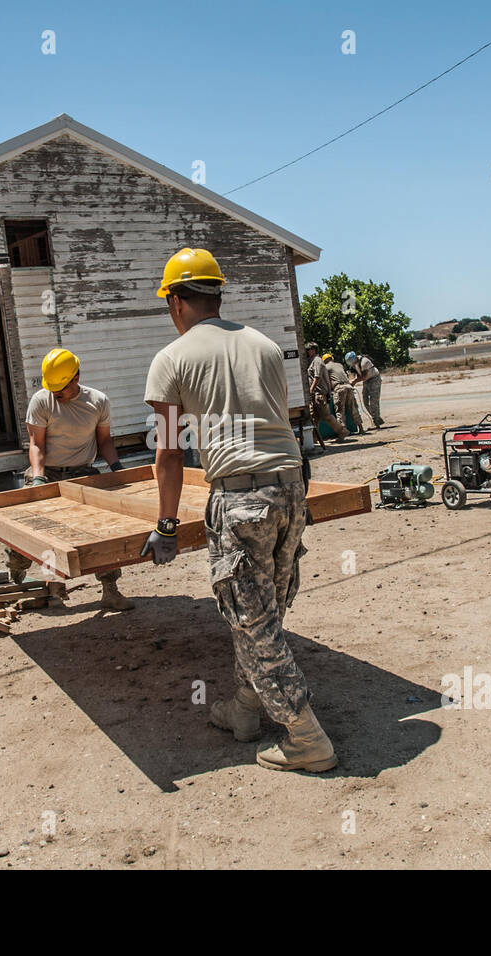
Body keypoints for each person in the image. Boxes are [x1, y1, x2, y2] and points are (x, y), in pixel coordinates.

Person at [141, 247, 337, 773]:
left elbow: (167, 450)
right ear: (217, 294)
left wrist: (164, 525)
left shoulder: (173, 358)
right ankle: (246, 708)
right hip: (292, 489)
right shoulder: (266, 346)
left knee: (256, 621)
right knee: (258, 610)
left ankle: (306, 736)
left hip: (240, 498)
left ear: (177, 301)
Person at [9, 347, 134, 611]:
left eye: (61, 390)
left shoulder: (98, 402)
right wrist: (39, 479)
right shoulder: (41, 401)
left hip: (82, 472)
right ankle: (21, 575)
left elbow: (104, 441)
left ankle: (110, 590)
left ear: (75, 378)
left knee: (104, 530)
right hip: (48, 471)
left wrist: (118, 469)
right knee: (32, 528)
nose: (56, 395)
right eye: (53, 390)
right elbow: (37, 445)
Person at [304, 342, 348, 446]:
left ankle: (342, 431)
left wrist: (310, 390)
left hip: (319, 394)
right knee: (313, 418)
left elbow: (317, 377)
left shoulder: (317, 361)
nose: (306, 351)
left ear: (313, 350)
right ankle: (315, 438)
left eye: (308, 349)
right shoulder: (311, 361)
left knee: (326, 416)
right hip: (315, 394)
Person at [323, 352, 364, 434]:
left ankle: (343, 431)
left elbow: (327, 381)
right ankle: (361, 428)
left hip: (339, 388)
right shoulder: (339, 365)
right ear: (332, 358)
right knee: (353, 408)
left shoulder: (326, 368)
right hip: (348, 386)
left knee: (340, 410)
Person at [345, 351, 384, 428]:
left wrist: (354, 382)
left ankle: (376, 421)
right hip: (366, 380)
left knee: (373, 401)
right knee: (365, 401)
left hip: (374, 379)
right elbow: (358, 375)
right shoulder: (354, 364)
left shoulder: (364, 362)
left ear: (355, 358)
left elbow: (363, 376)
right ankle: (376, 418)